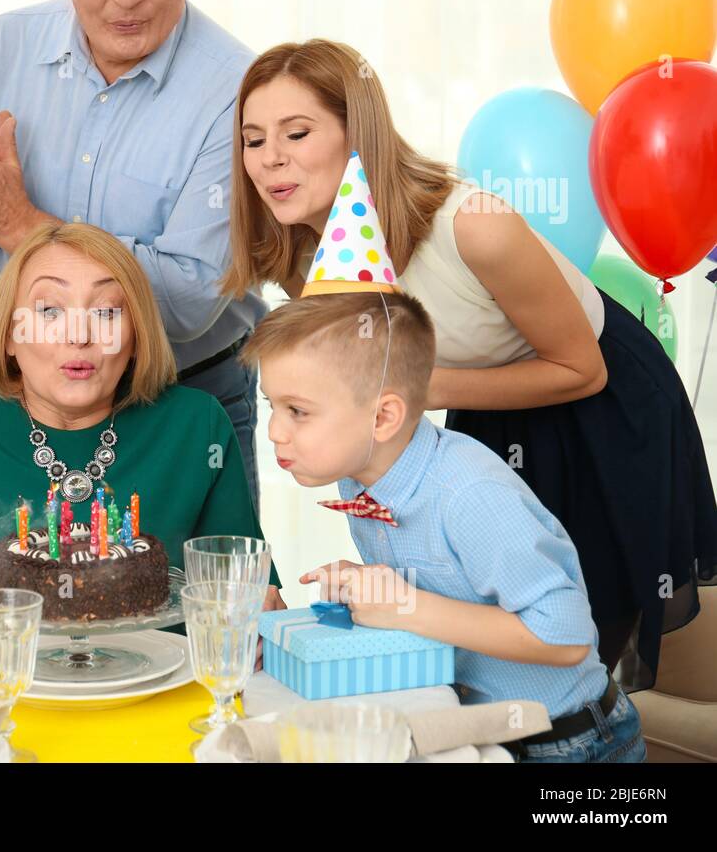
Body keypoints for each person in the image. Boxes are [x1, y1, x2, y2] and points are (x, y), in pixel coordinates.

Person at [222, 38, 717, 691]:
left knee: (568, 648)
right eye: (253, 140)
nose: (270, 159)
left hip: (599, 408)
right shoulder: (301, 252)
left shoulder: (472, 226)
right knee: (478, 646)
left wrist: (410, 390)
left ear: (355, 134)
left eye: (296, 132)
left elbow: (582, 370)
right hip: (485, 413)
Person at [0, 0, 267, 510]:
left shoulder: (241, 88)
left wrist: (18, 224)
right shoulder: (2, 45)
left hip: (190, 397)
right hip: (35, 394)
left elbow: (185, 302)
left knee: (210, 601)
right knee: (29, 590)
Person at [0, 223, 279, 667]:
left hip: (163, 699)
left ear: (136, 336)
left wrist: (262, 622)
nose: (80, 336)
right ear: (11, 335)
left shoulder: (197, 426)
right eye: (49, 310)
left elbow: (249, 593)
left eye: (107, 312)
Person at [248, 289, 645, 762]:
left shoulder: (469, 495)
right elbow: (444, 593)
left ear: (383, 417)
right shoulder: (360, 477)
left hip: (568, 742)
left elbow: (566, 636)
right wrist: (370, 591)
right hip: (470, 731)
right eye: (270, 404)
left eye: (297, 410)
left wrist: (404, 605)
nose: (274, 429)